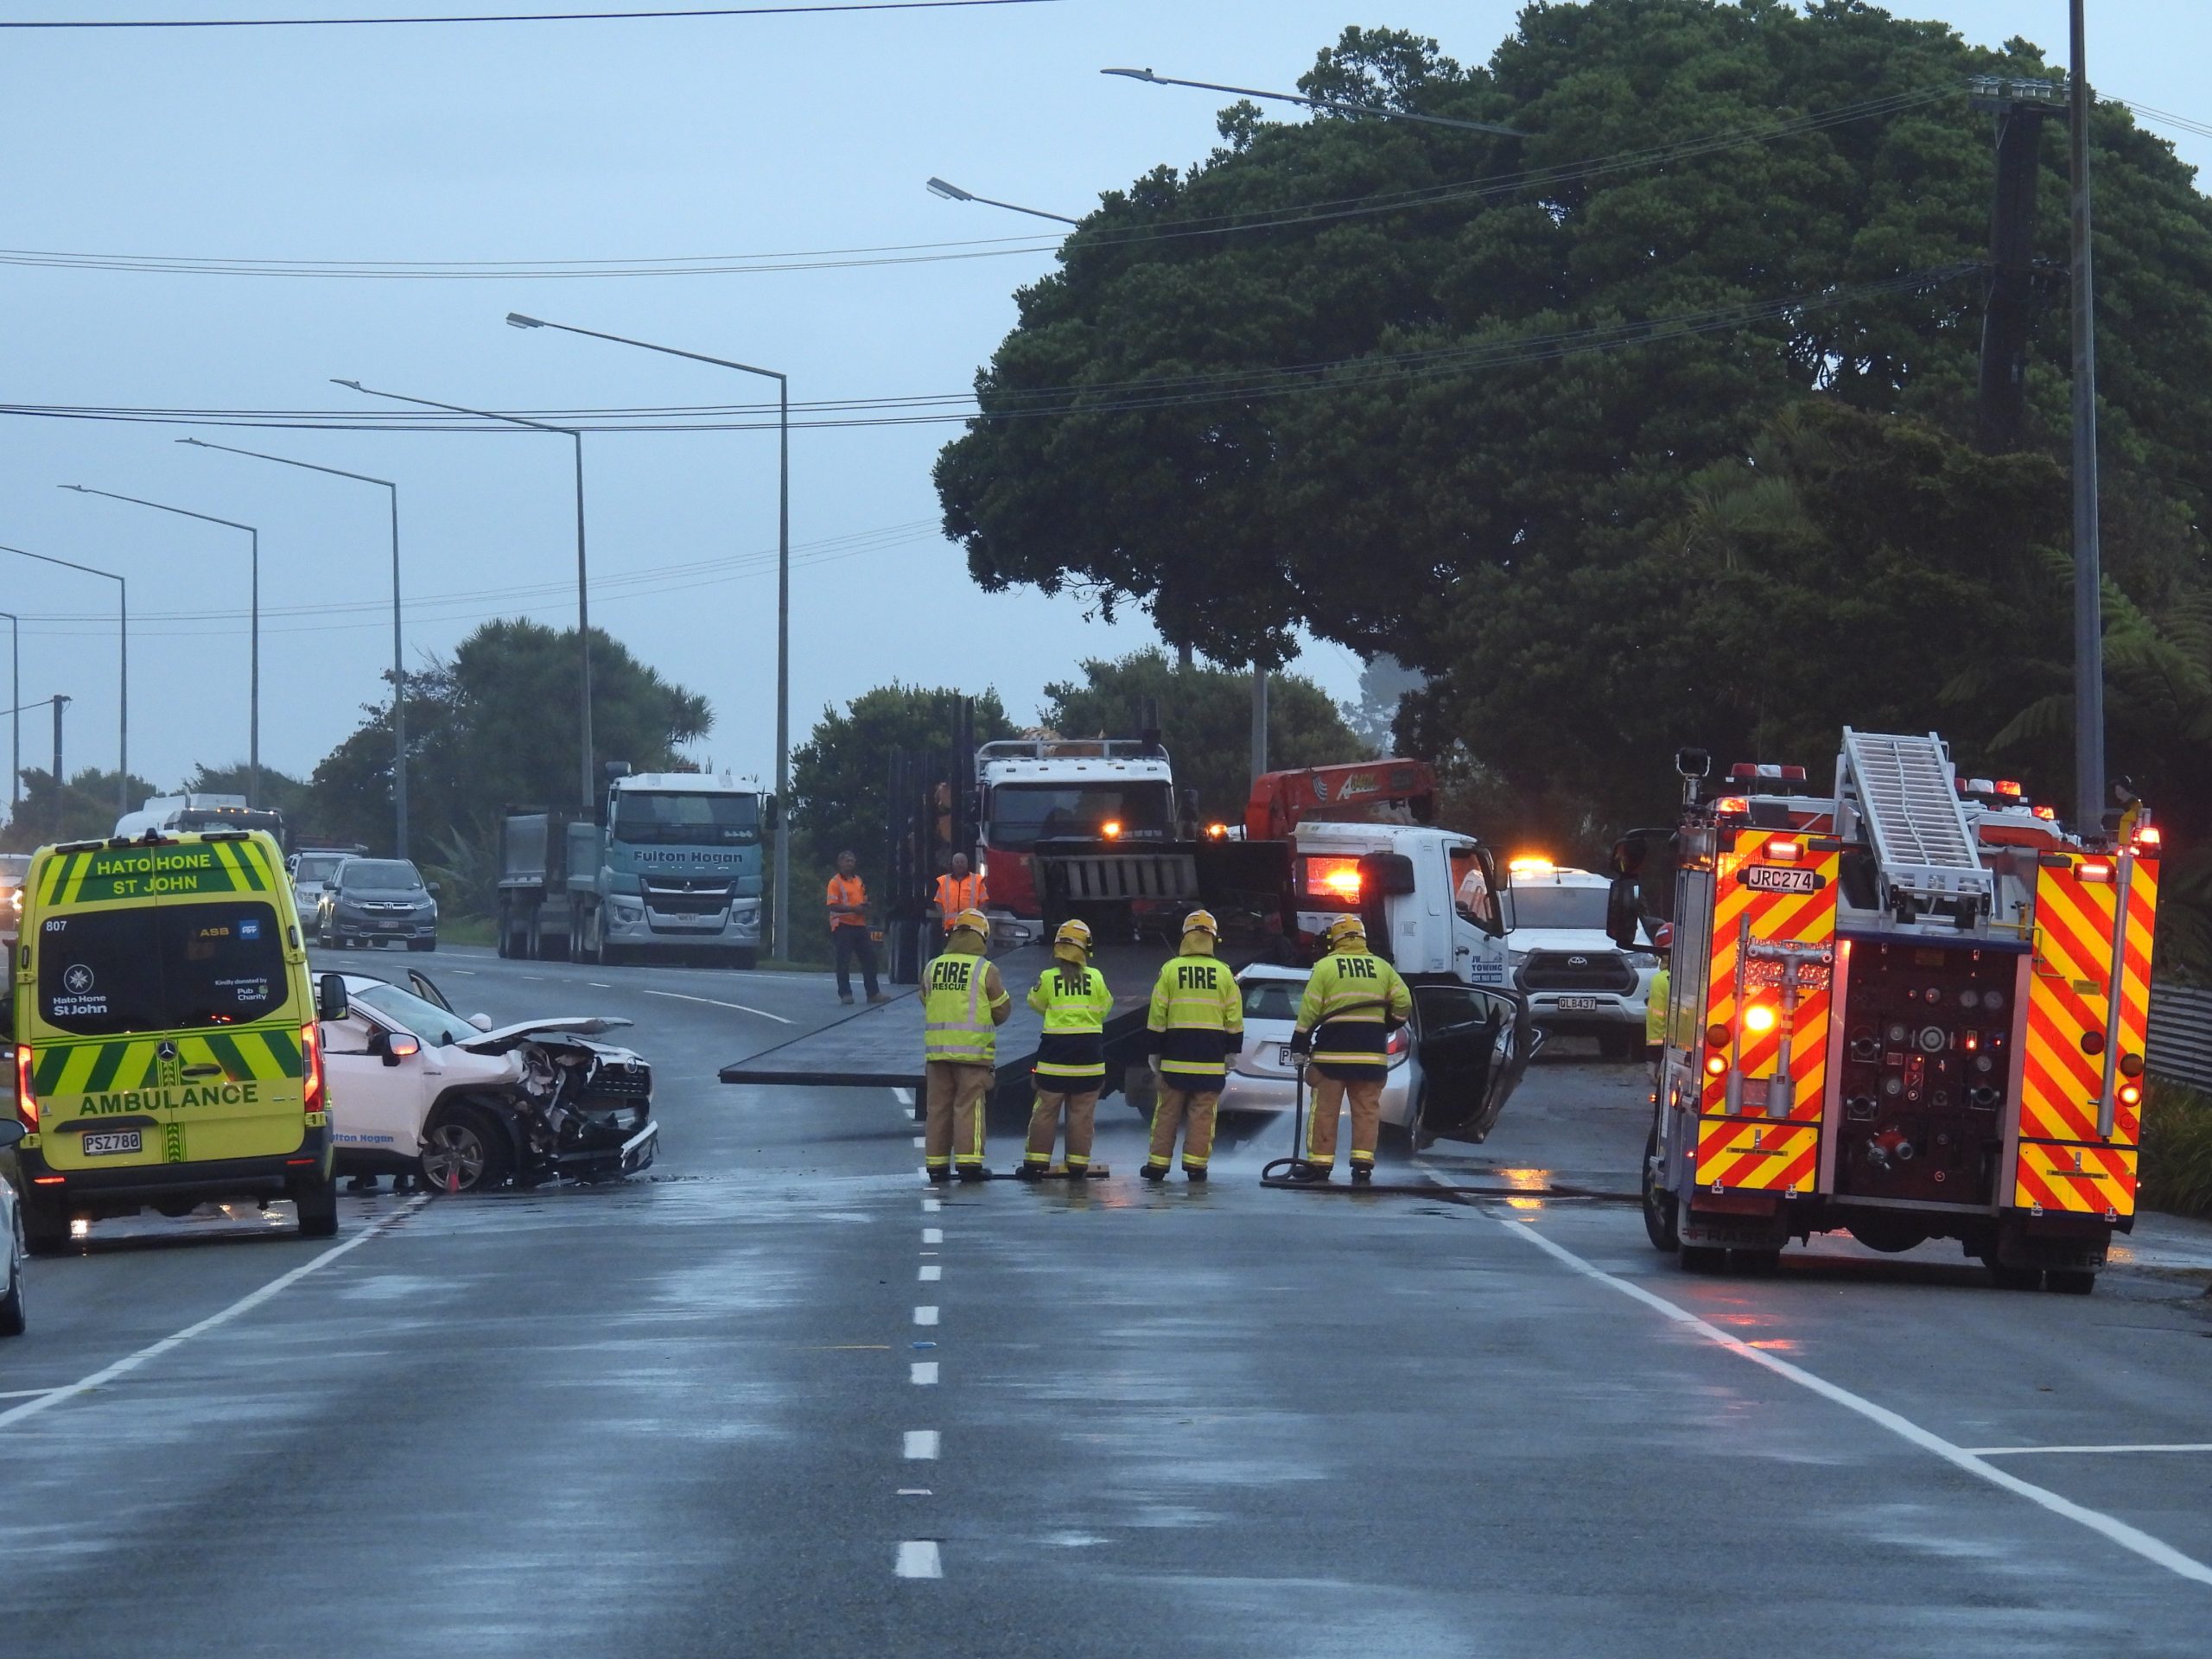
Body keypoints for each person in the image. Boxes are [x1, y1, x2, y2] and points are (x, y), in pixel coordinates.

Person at [1289, 914, 1412, 1185]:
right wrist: (1389, 1022)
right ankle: (1362, 1165)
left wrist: (1299, 1042)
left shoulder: (1325, 967)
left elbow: (1310, 1009)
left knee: (1325, 1111)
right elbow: (1404, 1000)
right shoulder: (1382, 968)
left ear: (1335, 939)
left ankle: (1319, 1166)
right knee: (1367, 1111)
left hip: (1331, 1057)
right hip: (1370, 1057)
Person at [1142, 908, 1243, 1183]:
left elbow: (1157, 1014)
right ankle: (1196, 1167)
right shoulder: (1224, 974)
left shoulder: (1170, 970)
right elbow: (1234, 1018)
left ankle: (1158, 1166)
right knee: (1203, 1115)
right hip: (1210, 1059)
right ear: (1213, 938)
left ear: (1185, 936)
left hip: (1174, 1058)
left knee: (1167, 1112)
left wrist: (1154, 1050)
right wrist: (1232, 1051)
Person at [921, 907, 1013, 1182]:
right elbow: (1002, 1010)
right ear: (981, 937)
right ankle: (969, 1164)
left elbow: (925, 999)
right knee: (968, 1106)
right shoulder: (985, 969)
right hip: (972, 1054)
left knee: (938, 1107)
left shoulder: (932, 966)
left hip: (937, 1054)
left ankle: (936, 1166)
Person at [1020, 919, 1115, 1180]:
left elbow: (1035, 1002)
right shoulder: (1096, 977)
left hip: (1055, 1055)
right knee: (1082, 1113)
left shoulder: (1048, 978)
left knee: (1046, 1109)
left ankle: (1036, 1163)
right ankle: (1077, 1165)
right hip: (1089, 1055)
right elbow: (1106, 1006)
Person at [826, 851, 887, 1006]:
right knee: (844, 961)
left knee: (870, 959)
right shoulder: (835, 882)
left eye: (852, 861)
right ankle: (845, 993)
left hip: (859, 925)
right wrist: (854, 909)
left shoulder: (858, 880)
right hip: (842, 925)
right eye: (847, 861)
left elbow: (862, 898)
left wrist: (865, 906)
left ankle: (873, 993)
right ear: (840, 863)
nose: (850, 863)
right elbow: (832, 905)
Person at [932, 853, 988, 933]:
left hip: (971, 926)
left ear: (967, 864)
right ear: (952, 864)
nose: (959, 864)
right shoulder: (944, 881)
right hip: (950, 927)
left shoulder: (976, 881)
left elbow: (984, 902)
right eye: (957, 862)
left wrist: (976, 917)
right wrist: (944, 916)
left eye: (962, 862)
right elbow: (938, 902)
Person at [1643, 923, 1674, 1065]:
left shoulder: (1660, 980)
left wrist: (1653, 1059)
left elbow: (1656, 1023)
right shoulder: (1703, 977)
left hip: (1669, 1049)